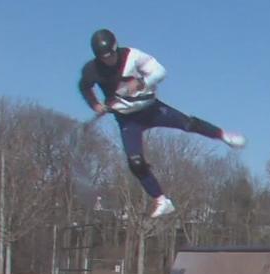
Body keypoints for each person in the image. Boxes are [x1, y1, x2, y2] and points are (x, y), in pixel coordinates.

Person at [78, 29, 246, 218]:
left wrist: (141, 82)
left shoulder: (132, 56)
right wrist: (95, 104)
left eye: (110, 55)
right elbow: (84, 87)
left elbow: (160, 72)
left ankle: (224, 136)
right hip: (127, 120)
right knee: (135, 162)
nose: (108, 60)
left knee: (188, 124)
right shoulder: (92, 70)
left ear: (116, 49)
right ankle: (161, 200)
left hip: (151, 109)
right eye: (103, 58)